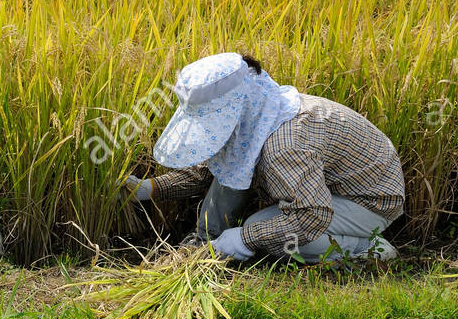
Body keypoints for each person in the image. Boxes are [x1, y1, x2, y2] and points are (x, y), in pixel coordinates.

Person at [125, 52, 405, 263]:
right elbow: (210, 171)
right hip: (329, 194)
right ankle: (207, 244)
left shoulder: (286, 143)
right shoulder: (258, 117)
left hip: (370, 200)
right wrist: (147, 189)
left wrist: (244, 239)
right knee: (258, 221)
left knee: (265, 231)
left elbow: (311, 216)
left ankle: (367, 248)